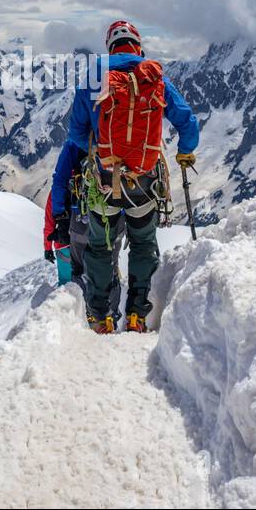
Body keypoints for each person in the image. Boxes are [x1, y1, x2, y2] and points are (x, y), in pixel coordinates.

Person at [55, 20, 199, 334]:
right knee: (143, 244)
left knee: (99, 248)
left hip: (103, 179)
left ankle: (101, 317)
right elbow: (187, 121)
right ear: (137, 44)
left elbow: (76, 133)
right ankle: (137, 314)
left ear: (110, 45)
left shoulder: (95, 75)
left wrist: (99, 150)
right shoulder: (153, 74)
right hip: (145, 180)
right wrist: (185, 152)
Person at [47, 140, 125, 321]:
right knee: (110, 266)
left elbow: (59, 180)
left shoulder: (77, 141)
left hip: (82, 216)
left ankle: (86, 316)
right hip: (115, 216)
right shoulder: (120, 136)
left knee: (79, 267)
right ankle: (109, 316)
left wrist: (60, 216)